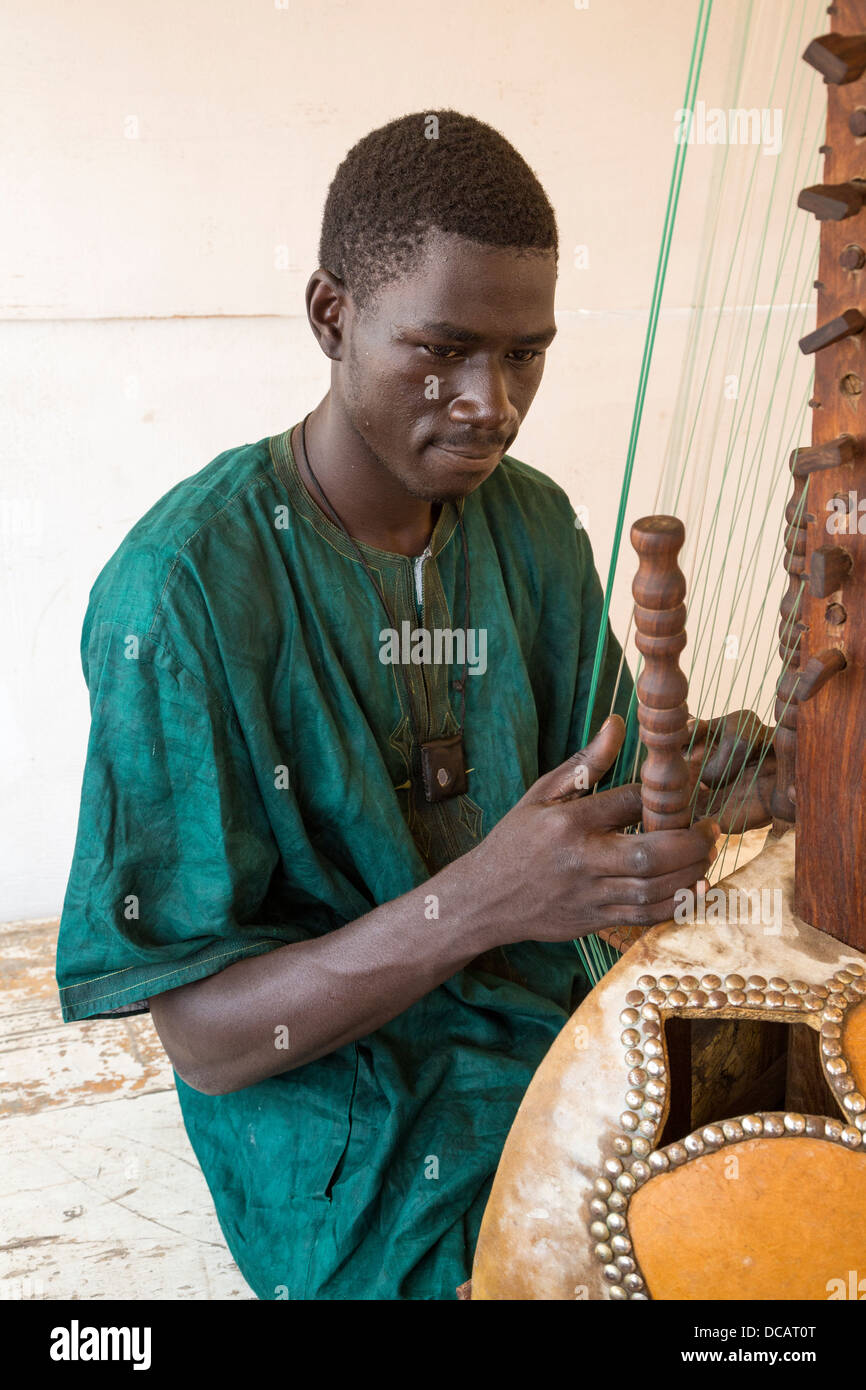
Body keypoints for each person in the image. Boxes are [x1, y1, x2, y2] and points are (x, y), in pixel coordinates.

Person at [55, 110, 771, 1301]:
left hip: (556, 1038)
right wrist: (478, 901)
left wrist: (763, 760)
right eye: (446, 351)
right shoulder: (178, 593)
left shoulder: (531, 524)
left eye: (526, 354)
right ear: (331, 315)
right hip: (347, 1141)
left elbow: (600, 787)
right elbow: (209, 1041)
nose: (491, 402)